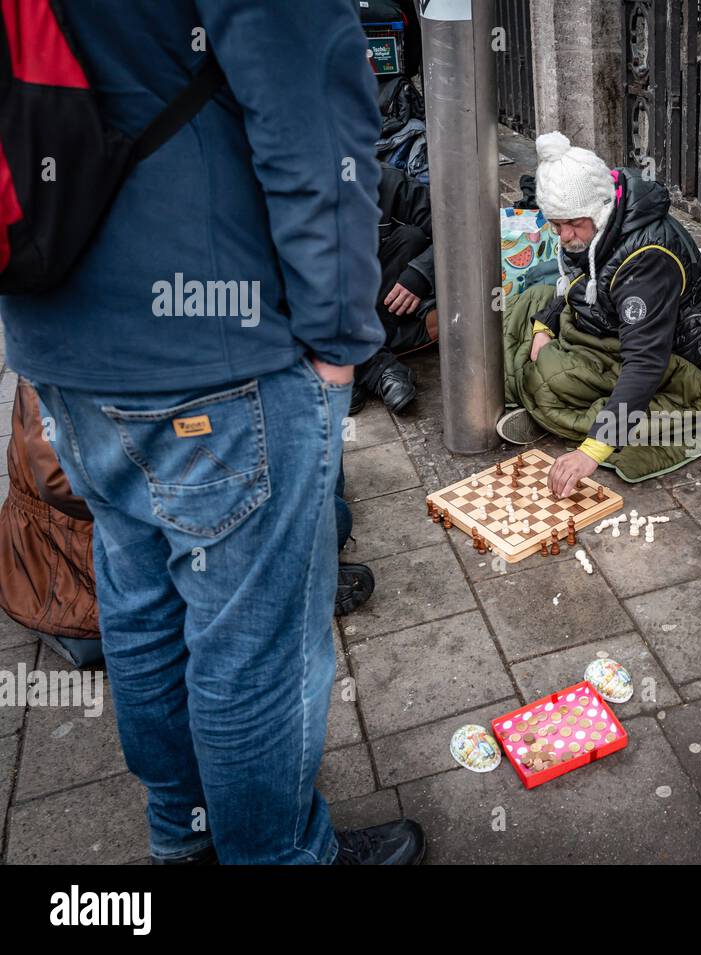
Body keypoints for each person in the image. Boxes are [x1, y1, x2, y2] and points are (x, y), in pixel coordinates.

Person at [0, 0, 422, 864]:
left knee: (143, 597)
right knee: (253, 648)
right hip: (209, 342)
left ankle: (182, 837)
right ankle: (279, 856)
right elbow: (309, 99)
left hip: (60, 340)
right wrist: (338, 344)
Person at [498, 132, 701, 498]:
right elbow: (574, 278)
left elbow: (646, 362)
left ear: (599, 211)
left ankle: (543, 408)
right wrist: (546, 325)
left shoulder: (645, 262)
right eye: (556, 225)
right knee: (530, 301)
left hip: (671, 355)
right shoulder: (600, 217)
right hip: (607, 317)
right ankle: (532, 393)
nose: (565, 235)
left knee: (553, 378)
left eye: (573, 224)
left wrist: (592, 451)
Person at [351, 166, 439, 415]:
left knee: (410, 238)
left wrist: (420, 274)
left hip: (378, 303)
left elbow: (456, 225)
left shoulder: (388, 183)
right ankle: (373, 366)